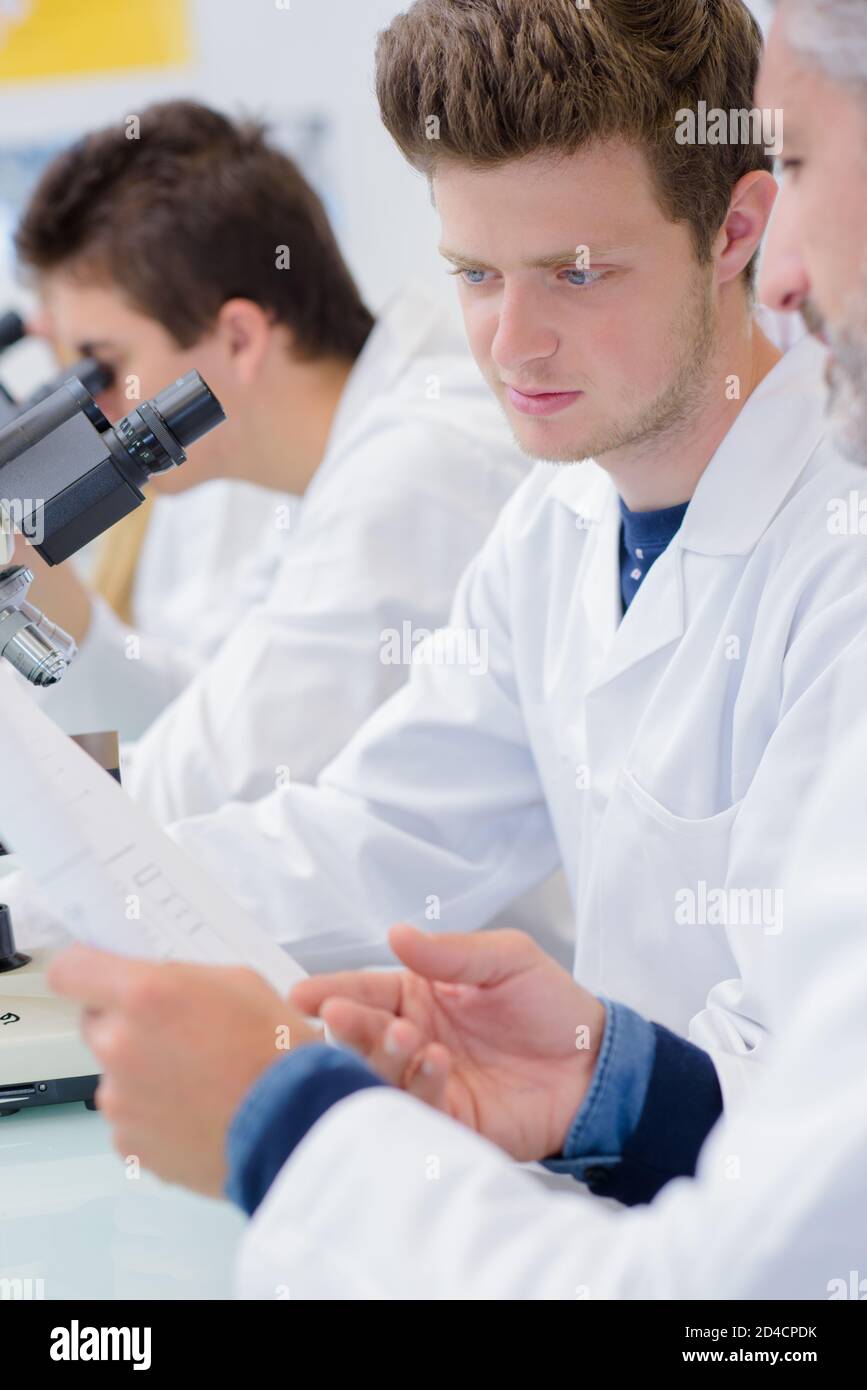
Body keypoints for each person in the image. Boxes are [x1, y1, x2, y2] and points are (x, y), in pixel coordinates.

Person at [47, 0, 867, 1299]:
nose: (510, 342)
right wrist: (50, 885)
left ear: (738, 231)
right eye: (475, 275)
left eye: (576, 273)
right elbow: (369, 832)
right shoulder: (554, 517)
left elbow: (810, 1146)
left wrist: (288, 1117)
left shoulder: (837, 551)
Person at [14, 99, 531, 818]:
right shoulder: (321, 470)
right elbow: (212, 712)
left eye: (104, 366)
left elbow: (209, 783)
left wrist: (31, 804)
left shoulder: (417, 470)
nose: (92, 407)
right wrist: (44, 588)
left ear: (238, 338)